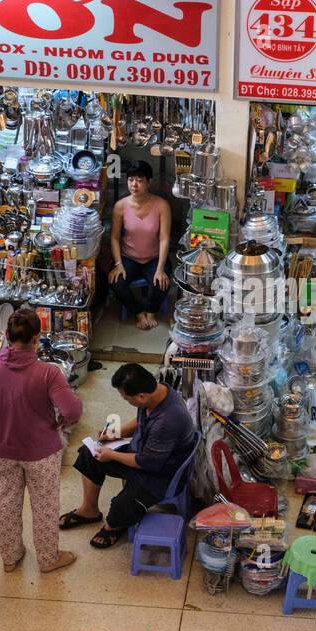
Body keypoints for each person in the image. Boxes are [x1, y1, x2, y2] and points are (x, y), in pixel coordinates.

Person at [0, 308, 83, 574]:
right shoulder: (48, 373)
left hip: (3, 449)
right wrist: (61, 421)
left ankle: (10, 558)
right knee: (45, 506)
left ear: (7, 336)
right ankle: (48, 559)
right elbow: (73, 411)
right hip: (42, 452)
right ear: (36, 338)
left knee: (6, 503)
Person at [60, 363, 197, 549]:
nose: (126, 402)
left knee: (119, 508)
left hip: (161, 474)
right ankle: (89, 510)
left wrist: (113, 455)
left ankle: (113, 527)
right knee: (90, 453)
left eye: (127, 399)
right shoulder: (158, 392)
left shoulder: (168, 420)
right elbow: (141, 420)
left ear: (141, 396)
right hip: (143, 452)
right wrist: (115, 433)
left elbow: (147, 463)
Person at [108, 161, 171, 331]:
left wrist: (160, 268)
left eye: (140, 180)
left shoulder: (162, 206)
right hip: (129, 257)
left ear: (149, 182)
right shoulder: (120, 206)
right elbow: (114, 237)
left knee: (162, 282)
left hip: (154, 257)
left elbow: (165, 238)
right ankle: (138, 312)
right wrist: (118, 264)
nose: (134, 185)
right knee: (116, 282)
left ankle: (151, 311)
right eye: (130, 180)